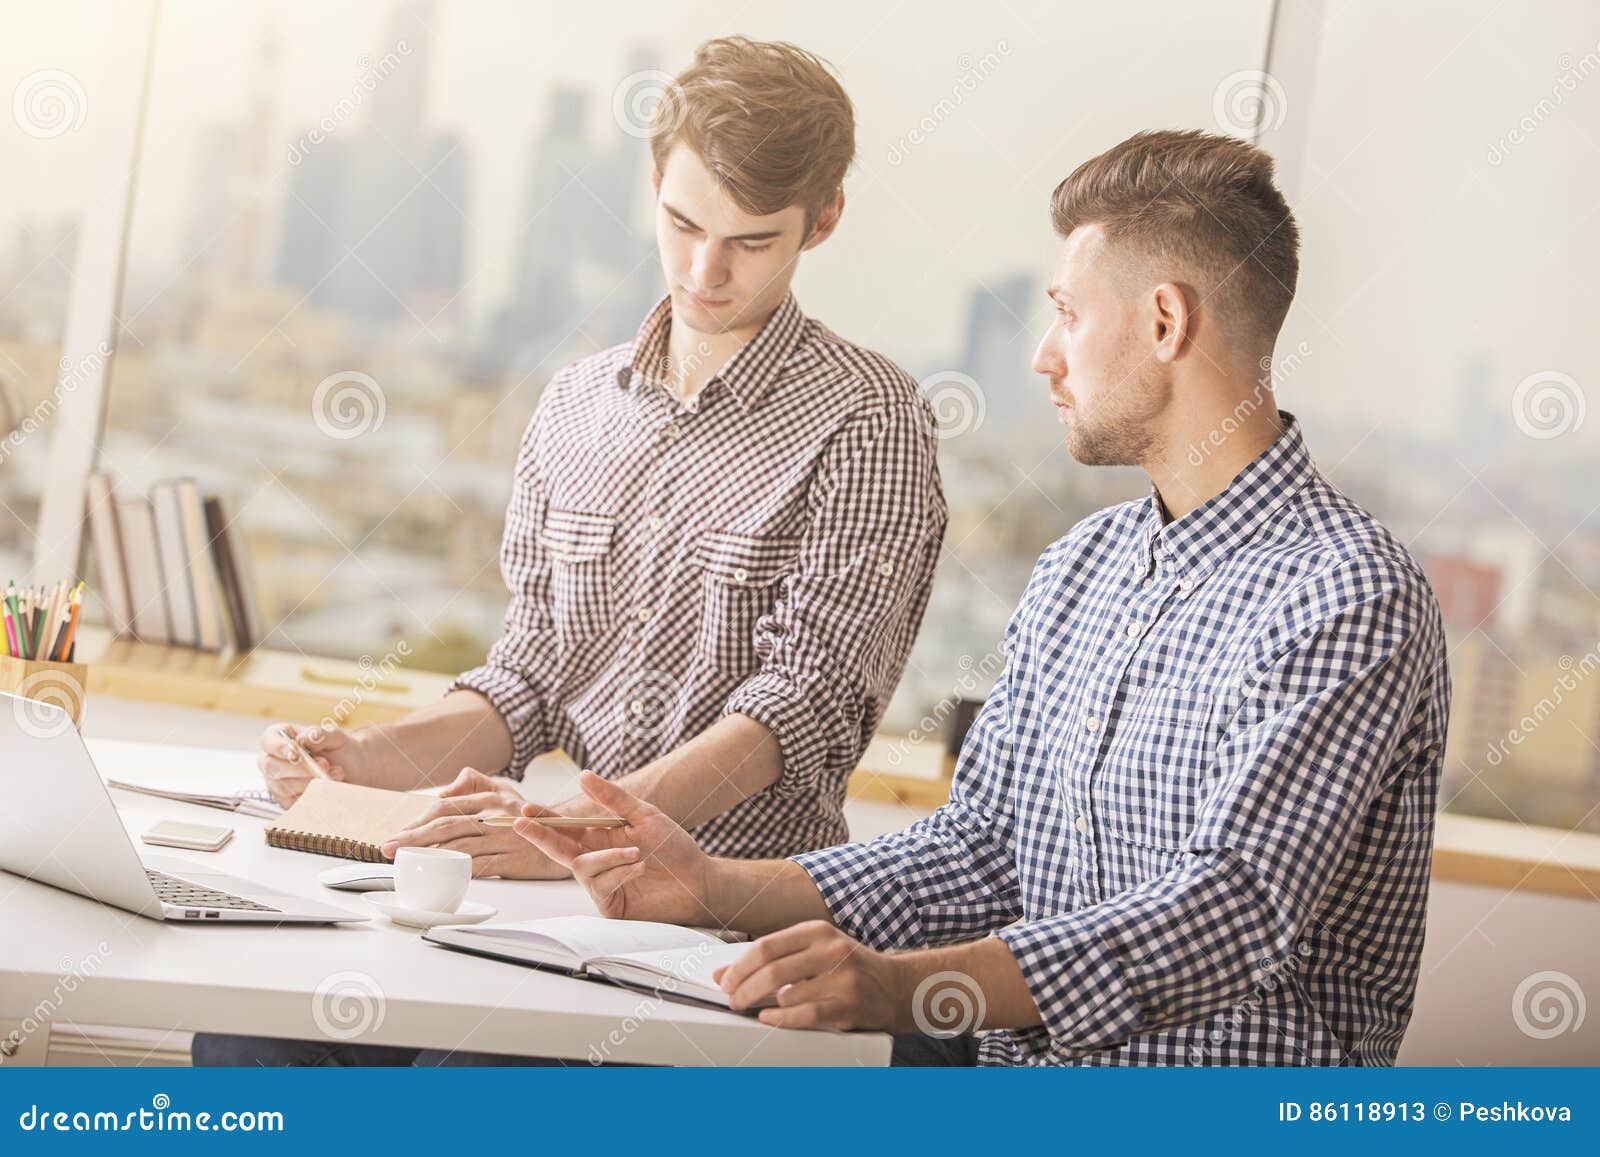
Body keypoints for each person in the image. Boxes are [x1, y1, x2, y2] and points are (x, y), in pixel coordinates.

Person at [518, 129, 1452, 1067]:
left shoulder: (1347, 592)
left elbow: (1231, 905)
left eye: (1067, 314)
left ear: (1166, 322)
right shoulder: (1082, 567)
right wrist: (712, 885)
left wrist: (902, 987)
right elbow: (979, 852)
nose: (1046, 355)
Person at [193, 37, 946, 1067]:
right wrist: (369, 757)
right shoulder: (576, 405)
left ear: (823, 221)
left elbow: (802, 702)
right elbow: (532, 677)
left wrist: (582, 827)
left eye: (750, 242)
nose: (704, 271)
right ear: (651, 181)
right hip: (541, 903)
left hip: (716, 930)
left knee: (461, 1081)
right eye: (682, 224)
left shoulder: (870, 419)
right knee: (254, 1027)